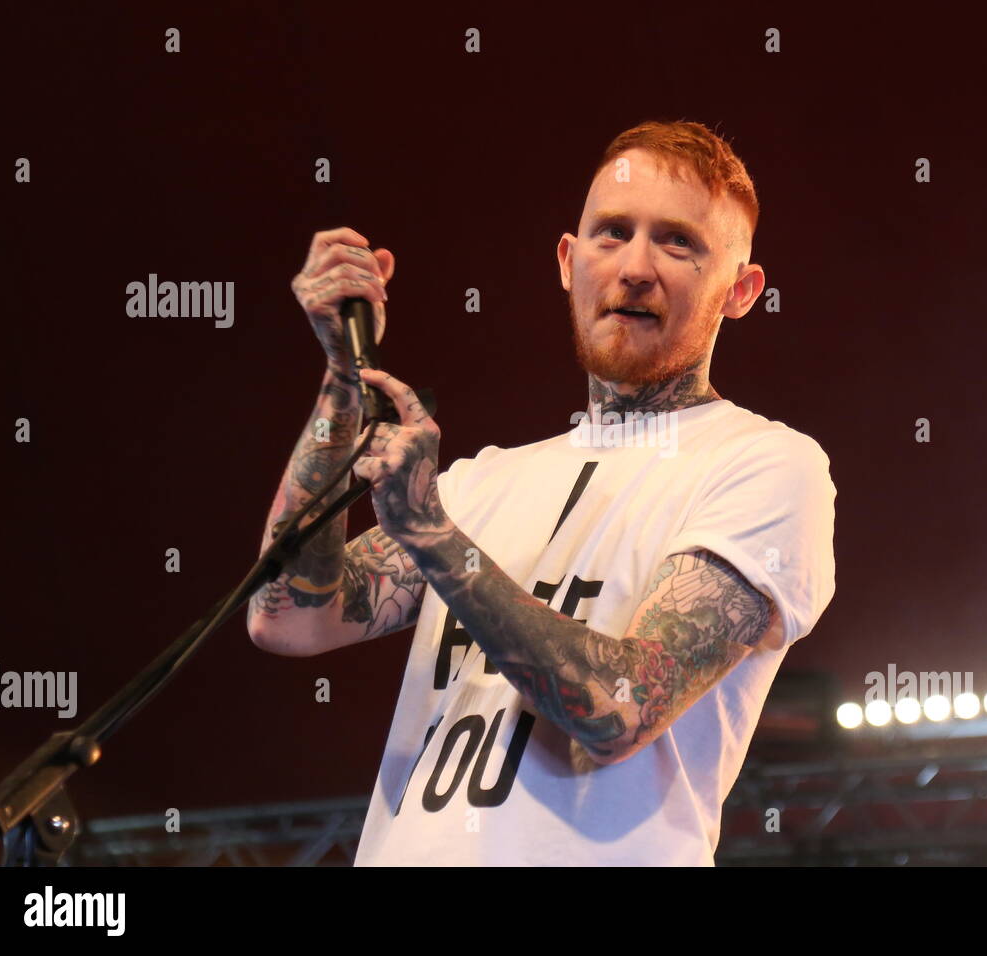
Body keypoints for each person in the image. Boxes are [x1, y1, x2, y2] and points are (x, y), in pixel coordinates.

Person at [247, 120, 837, 865]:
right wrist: (340, 381)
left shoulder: (765, 464)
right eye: (612, 233)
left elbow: (620, 710)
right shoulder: (482, 483)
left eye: (678, 242)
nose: (635, 267)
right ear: (568, 260)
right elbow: (290, 618)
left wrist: (433, 536)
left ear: (742, 290)